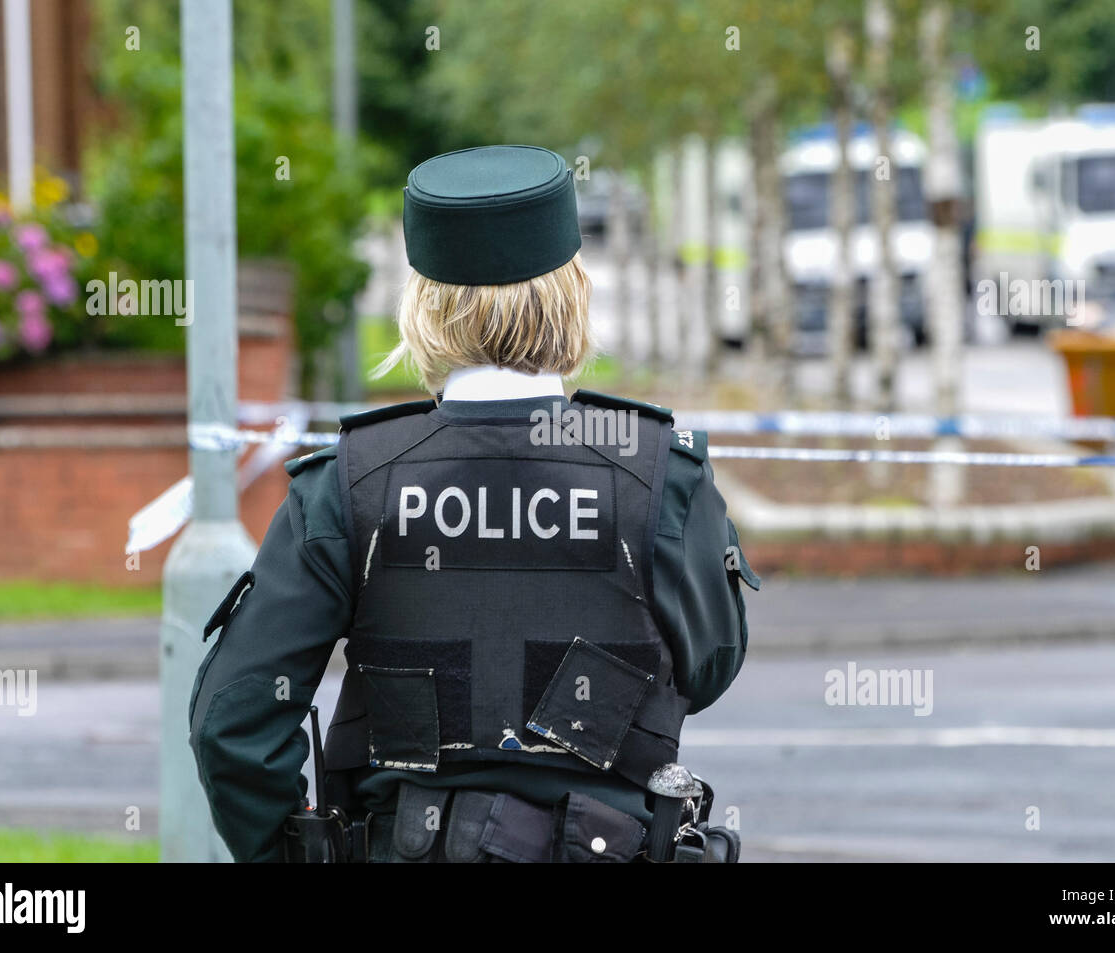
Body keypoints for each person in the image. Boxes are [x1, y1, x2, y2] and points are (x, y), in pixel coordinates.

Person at [189, 144, 760, 863]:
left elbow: (231, 722)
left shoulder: (348, 484)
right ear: (572, 294)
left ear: (424, 306)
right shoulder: (660, 477)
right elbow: (709, 666)